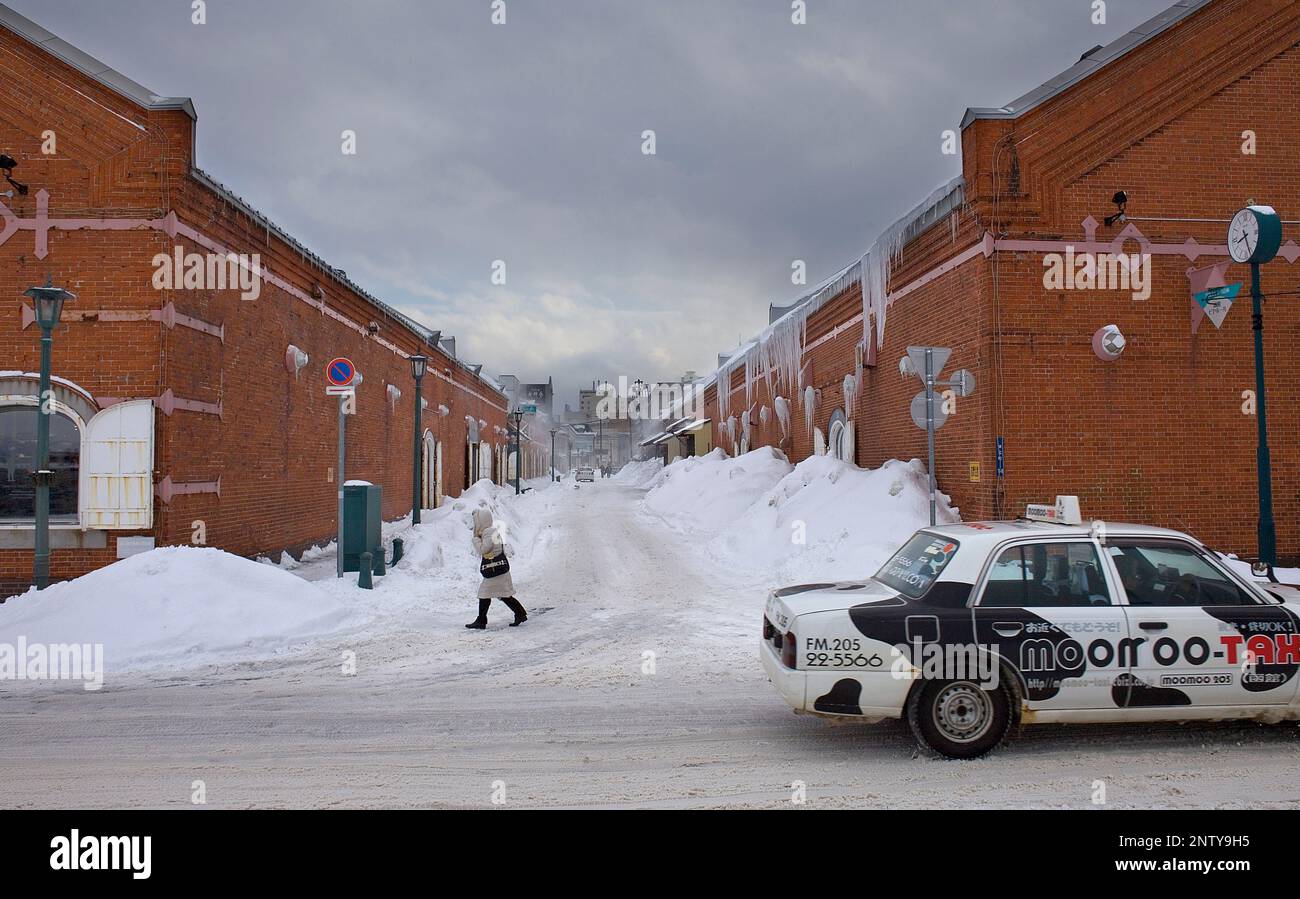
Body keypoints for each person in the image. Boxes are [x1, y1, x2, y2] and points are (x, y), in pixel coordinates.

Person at [466, 507, 527, 629]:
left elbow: (484, 550)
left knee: (486, 594)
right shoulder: (491, 531)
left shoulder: (488, 532)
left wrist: (476, 541)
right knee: (503, 594)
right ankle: (520, 613)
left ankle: (481, 621)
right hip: (498, 569)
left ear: (481, 520)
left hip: (494, 570)